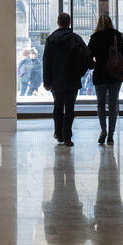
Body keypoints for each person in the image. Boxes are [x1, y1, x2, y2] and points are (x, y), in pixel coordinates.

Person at [42, 12, 89, 146]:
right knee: (69, 109)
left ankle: (59, 134)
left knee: (57, 106)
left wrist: (46, 81)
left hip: (56, 80)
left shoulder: (51, 39)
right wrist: (81, 72)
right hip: (72, 79)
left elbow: (46, 61)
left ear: (58, 22)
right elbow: (87, 55)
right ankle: (67, 136)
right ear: (69, 22)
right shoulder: (75, 38)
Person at [87, 14, 123, 146]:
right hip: (115, 75)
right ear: (111, 23)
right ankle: (111, 135)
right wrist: (120, 65)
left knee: (100, 104)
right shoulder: (116, 36)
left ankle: (103, 130)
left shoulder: (95, 37)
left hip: (100, 74)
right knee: (113, 104)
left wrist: (94, 65)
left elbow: (88, 55)